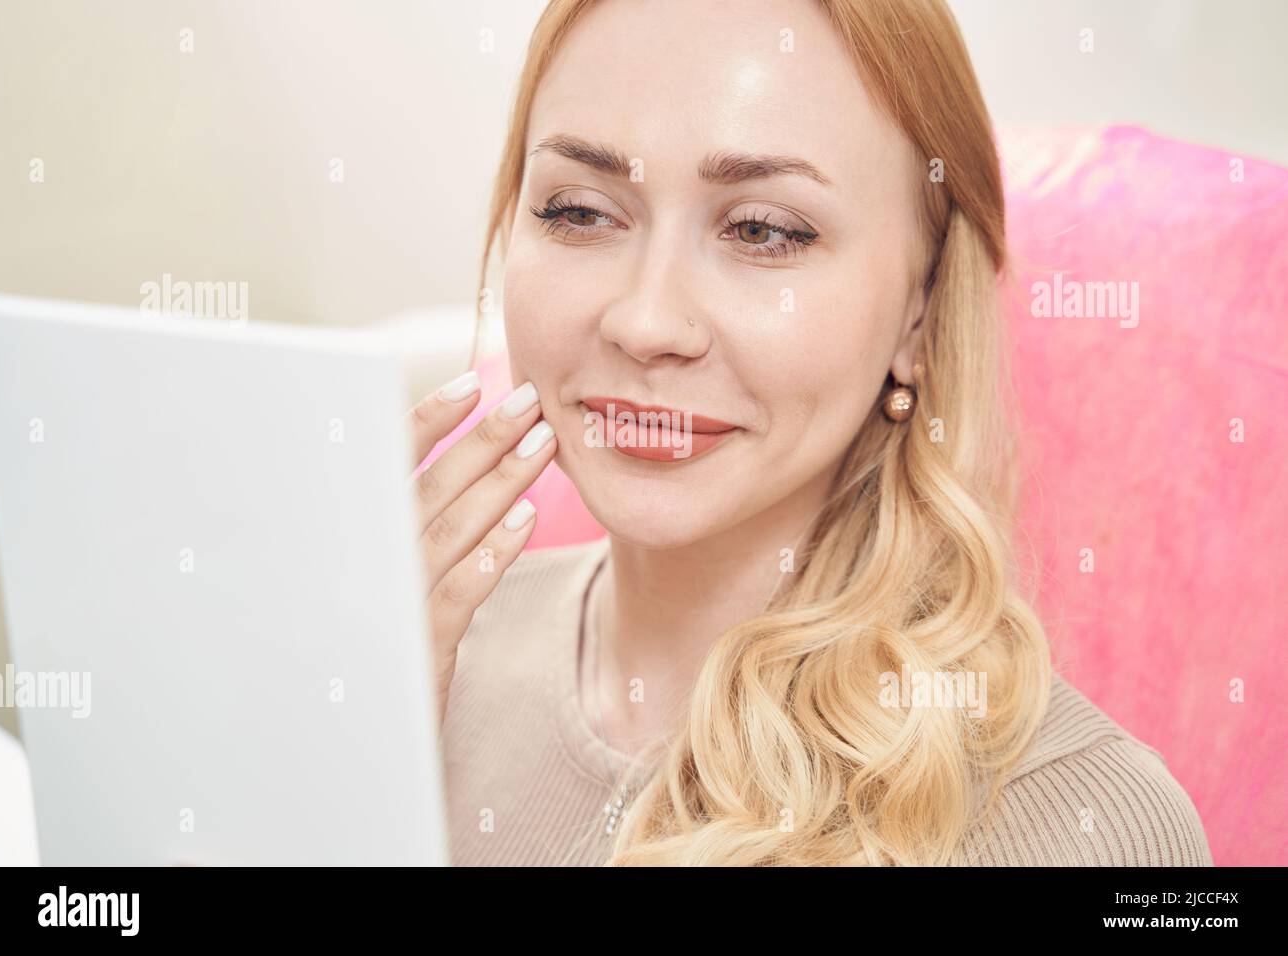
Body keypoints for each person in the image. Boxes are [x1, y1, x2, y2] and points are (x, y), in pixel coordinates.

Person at [408, 0, 1212, 866]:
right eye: (579, 212)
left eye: (762, 230)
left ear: (921, 308)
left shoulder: (1087, 824)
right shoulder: (414, 662)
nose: (645, 322)